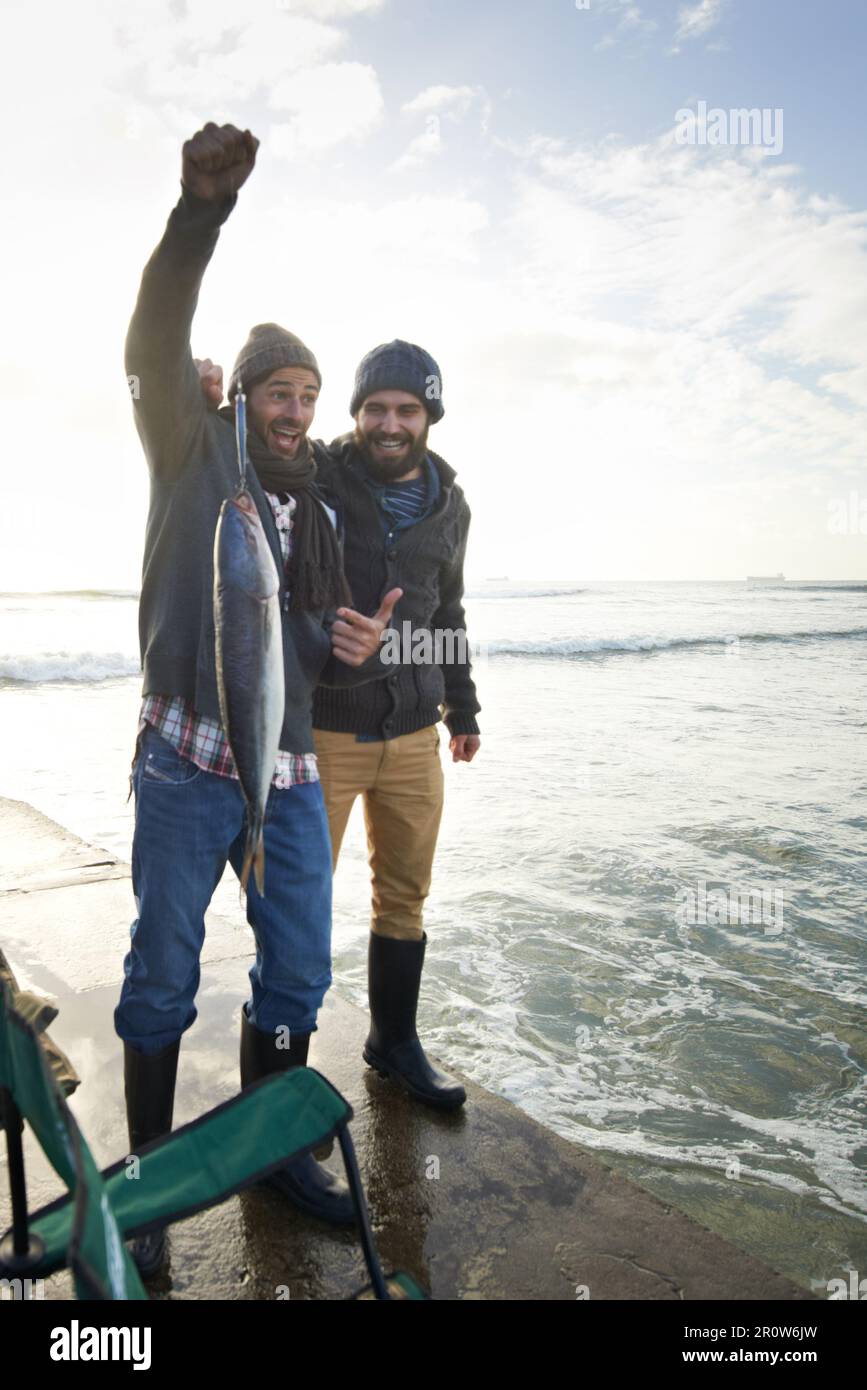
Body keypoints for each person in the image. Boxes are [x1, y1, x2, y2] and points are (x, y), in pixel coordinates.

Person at [119, 122, 398, 1276]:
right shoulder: (190, 450)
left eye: (309, 396)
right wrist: (198, 213)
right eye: (279, 391)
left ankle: (269, 1144)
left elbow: (309, 665)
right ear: (247, 393)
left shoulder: (324, 508)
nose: (293, 410)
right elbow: (152, 341)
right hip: (186, 764)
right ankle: (148, 1174)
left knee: (297, 968)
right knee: (163, 966)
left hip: (282, 773)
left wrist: (353, 649)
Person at [197, 341, 481, 1111]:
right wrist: (212, 407)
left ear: (429, 417)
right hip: (323, 734)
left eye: (406, 410)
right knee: (291, 914)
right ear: (355, 417)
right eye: (374, 410)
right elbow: (259, 452)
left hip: (416, 734)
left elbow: (447, 613)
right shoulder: (320, 470)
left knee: (404, 898)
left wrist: (463, 707)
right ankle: (275, 1099)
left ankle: (393, 1043)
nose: (389, 424)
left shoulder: (451, 506)